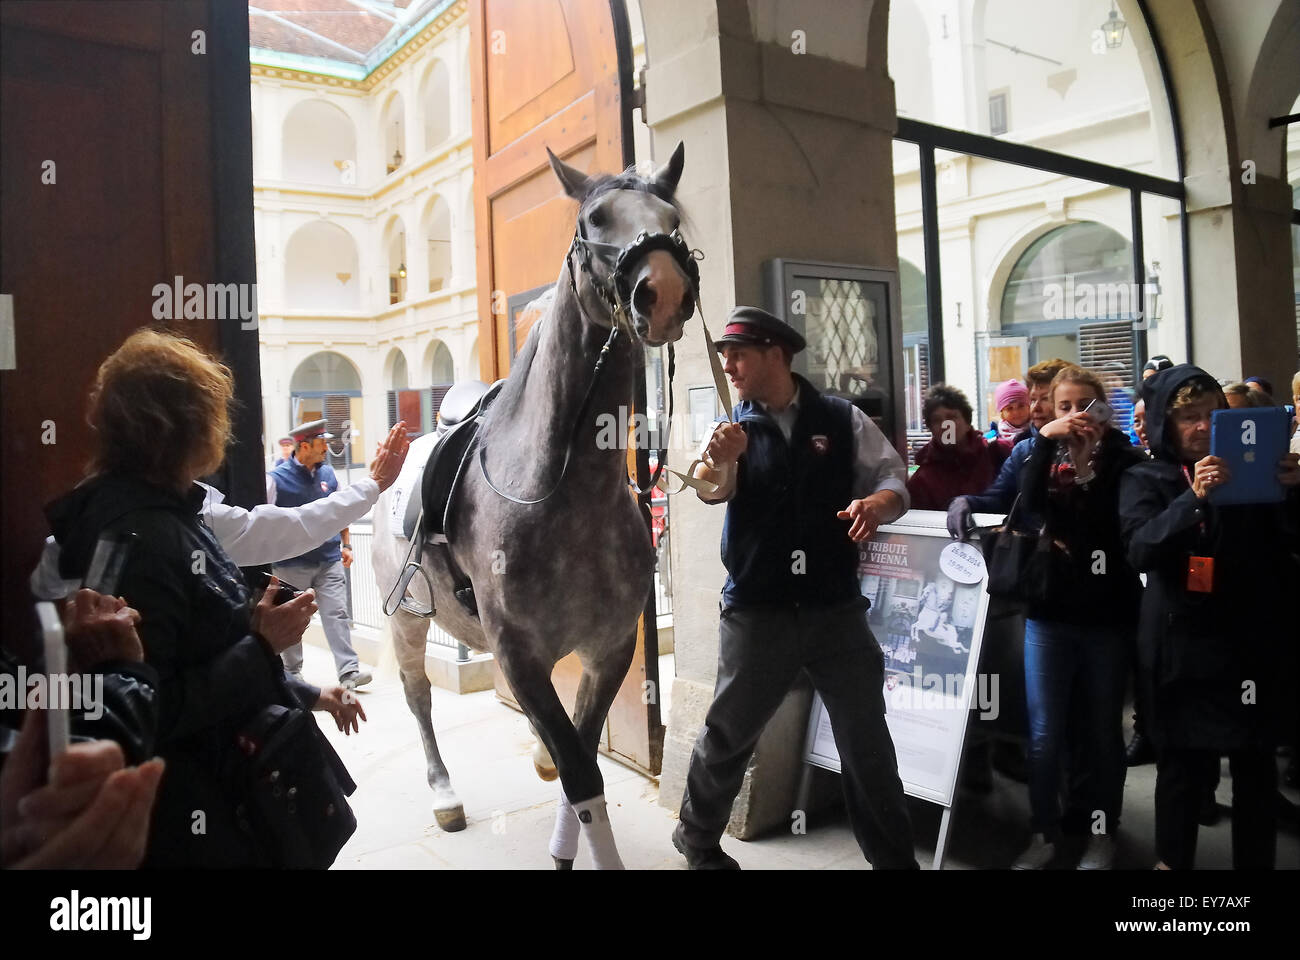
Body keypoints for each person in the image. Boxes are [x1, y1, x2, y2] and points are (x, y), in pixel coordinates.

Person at [43, 329, 365, 868]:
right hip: (207, 817)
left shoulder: (158, 514)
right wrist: (264, 646)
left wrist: (306, 692)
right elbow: (151, 709)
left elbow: (200, 653)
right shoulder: (140, 535)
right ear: (185, 427)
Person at [673, 306, 917, 870]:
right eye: (725, 356)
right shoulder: (730, 428)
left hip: (836, 610)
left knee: (868, 746)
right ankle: (699, 842)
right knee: (727, 736)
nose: (728, 365)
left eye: (739, 354)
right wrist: (721, 462)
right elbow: (710, 488)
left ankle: (896, 862)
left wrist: (878, 504)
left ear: (776, 355)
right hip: (758, 612)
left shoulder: (840, 418)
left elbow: (892, 477)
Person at [1119, 364, 1300, 869]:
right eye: (1189, 418)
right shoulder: (1145, 477)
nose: (1202, 426)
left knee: (1255, 770)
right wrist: (1193, 498)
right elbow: (1140, 550)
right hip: (1182, 648)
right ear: (1165, 425)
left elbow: (1288, 542)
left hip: (1251, 644)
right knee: (1180, 770)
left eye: (1211, 414)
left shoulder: (1258, 470)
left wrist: (1295, 488)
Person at [1012, 365, 1148, 870]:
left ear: (1103, 411)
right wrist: (1046, 444)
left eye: (1084, 406)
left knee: (1102, 733)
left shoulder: (1125, 462)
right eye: (1063, 406)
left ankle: (1101, 833)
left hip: (1107, 617)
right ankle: (1043, 832)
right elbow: (1027, 511)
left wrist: (1088, 466)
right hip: (1049, 613)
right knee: (1045, 733)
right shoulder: (1040, 455)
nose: (1074, 417)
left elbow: (1111, 530)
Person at [30, 420, 410, 598]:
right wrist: (373, 484)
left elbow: (46, 582)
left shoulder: (86, 506)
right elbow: (291, 527)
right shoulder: (193, 515)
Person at [267, 420, 370, 689]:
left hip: (328, 560)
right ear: (304, 446)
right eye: (321, 442)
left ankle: (349, 672)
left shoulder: (328, 475)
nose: (327, 447)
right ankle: (292, 673)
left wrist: (346, 544)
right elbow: (262, 519)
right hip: (291, 565)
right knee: (292, 615)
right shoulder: (276, 480)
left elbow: (341, 511)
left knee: (336, 613)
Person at [907, 384, 1005, 511]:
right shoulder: (921, 480)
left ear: (967, 421)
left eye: (951, 417)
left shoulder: (998, 453)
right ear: (930, 428)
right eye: (937, 420)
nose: (945, 425)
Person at [985, 379, 1032, 445]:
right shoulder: (992, 439)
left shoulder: (1039, 433)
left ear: (1029, 407)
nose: (1016, 412)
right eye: (1009, 408)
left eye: (1021, 406)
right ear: (1002, 414)